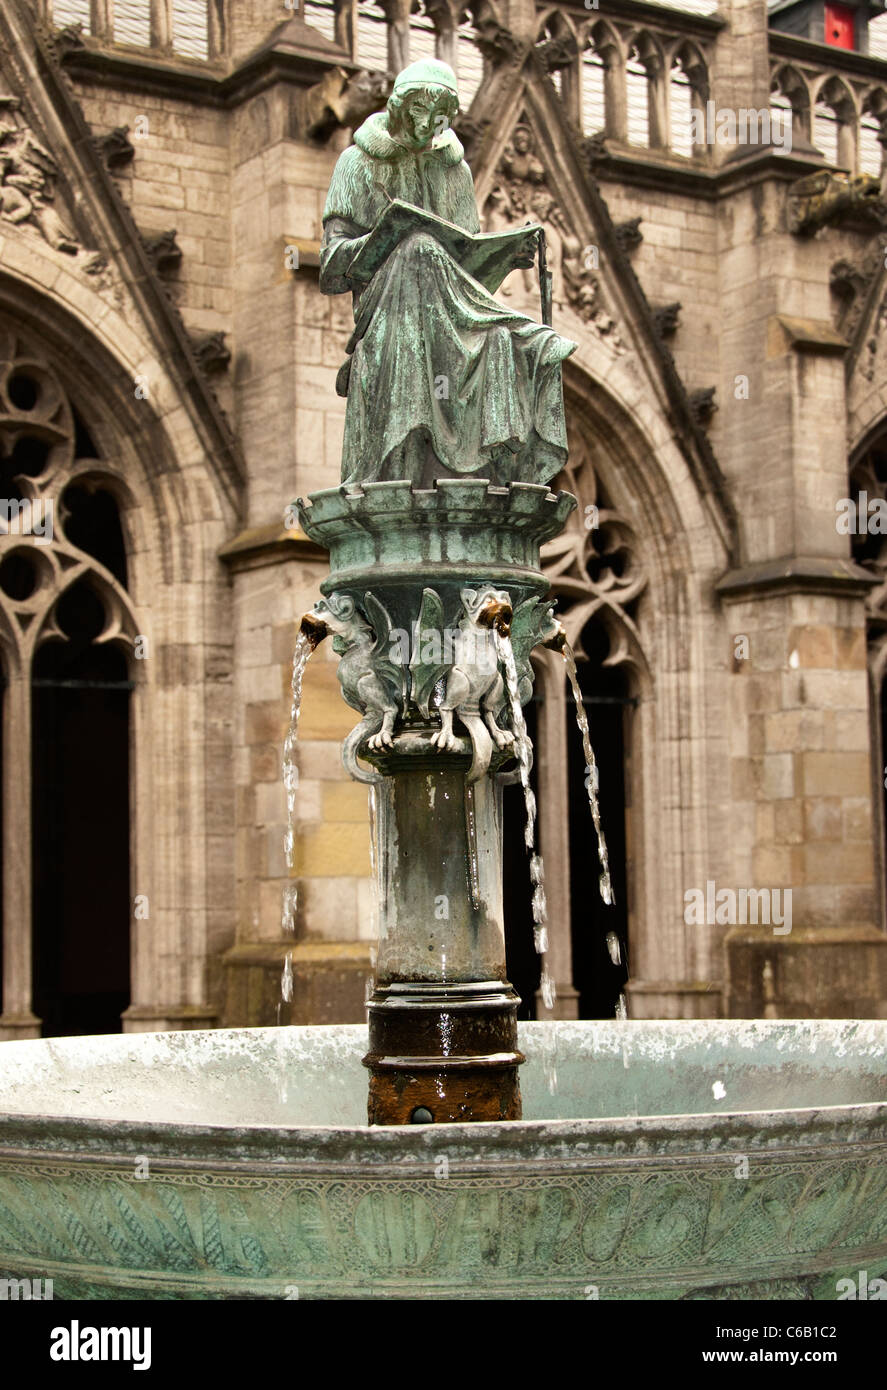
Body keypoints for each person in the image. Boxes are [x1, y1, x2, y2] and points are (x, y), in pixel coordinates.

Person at [319, 59, 577, 488]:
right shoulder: (357, 162)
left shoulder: (454, 169)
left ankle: (488, 476)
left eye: (438, 118)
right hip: (387, 310)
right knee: (418, 248)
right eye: (418, 112)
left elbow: (465, 261)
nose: (426, 126)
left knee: (496, 340)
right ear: (399, 107)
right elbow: (330, 267)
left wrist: (503, 255)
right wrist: (384, 238)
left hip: (452, 307)